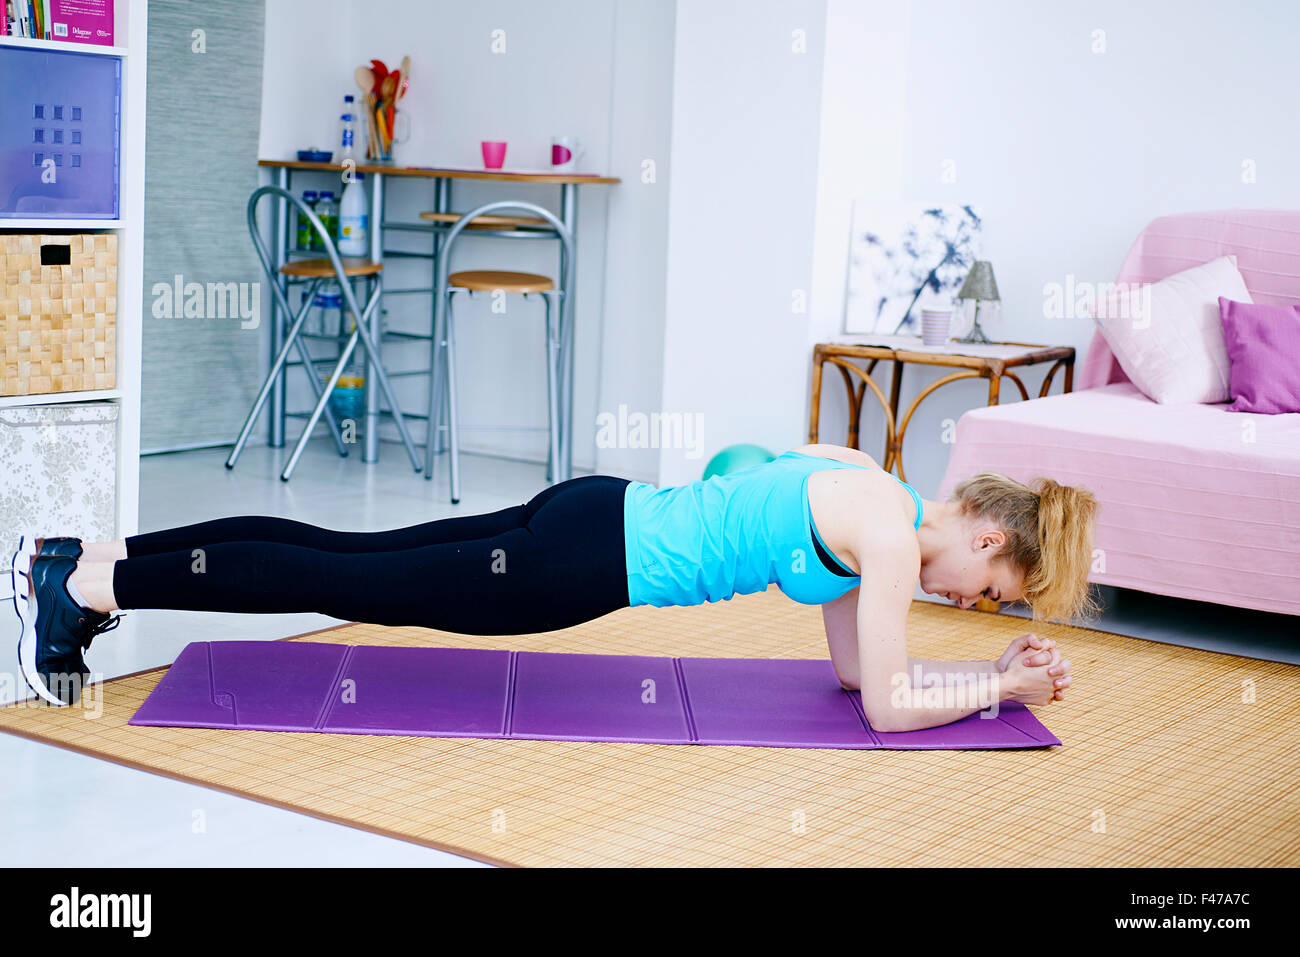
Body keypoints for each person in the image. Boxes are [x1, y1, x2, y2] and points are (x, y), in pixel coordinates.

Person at [12, 443, 1092, 729]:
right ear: (989, 536)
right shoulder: (894, 538)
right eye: (989, 593)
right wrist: (997, 687)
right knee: (338, 573)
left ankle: (86, 563)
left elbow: (861, 678)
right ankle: (90, 588)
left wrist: (980, 666)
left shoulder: (868, 483)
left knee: (343, 548)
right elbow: (896, 709)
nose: (968, 604)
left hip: (591, 508)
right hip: (576, 564)